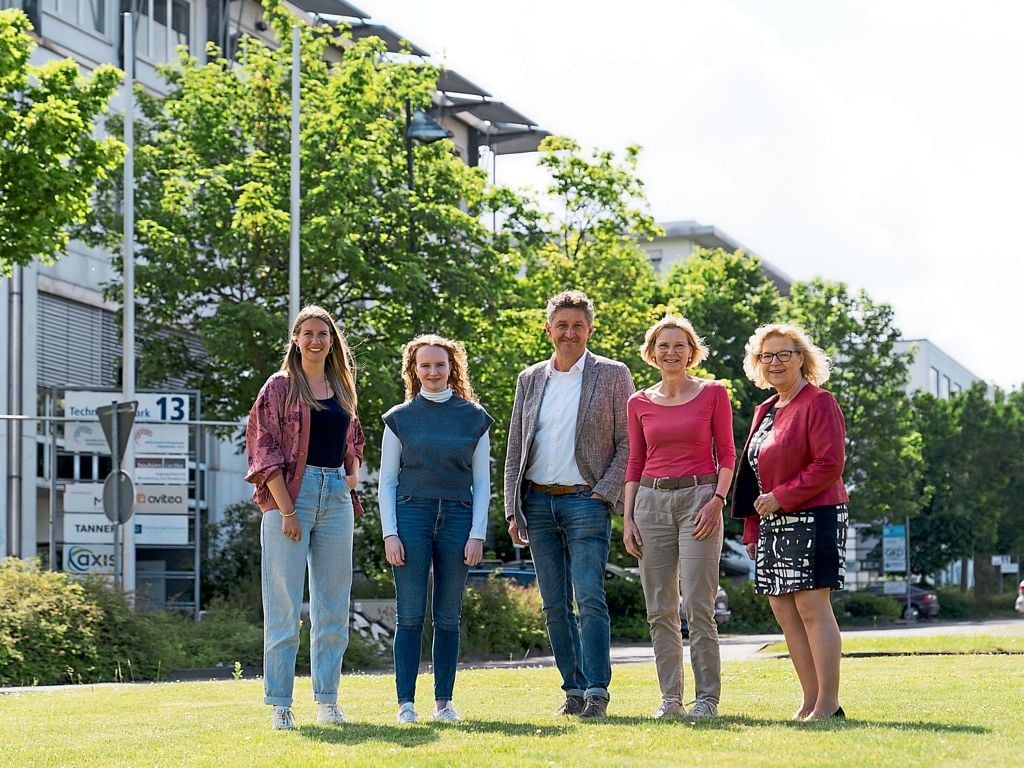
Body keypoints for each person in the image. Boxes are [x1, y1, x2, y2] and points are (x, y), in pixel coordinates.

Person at [504, 290, 635, 719]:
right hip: (537, 502)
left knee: (589, 596)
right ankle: (573, 690)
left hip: (586, 501)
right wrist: (512, 508)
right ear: (549, 329)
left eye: (578, 325)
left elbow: (629, 442)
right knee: (554, 605)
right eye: (562, 325)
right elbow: (516, 446)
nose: (570, 333)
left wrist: (605, 492)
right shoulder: (530, 378)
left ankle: (597, 690)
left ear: (590, 330)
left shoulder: (612, 375)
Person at [245, 305, 361, 731]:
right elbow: (264, 449)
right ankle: (280, 704)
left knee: (333, 608)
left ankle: (328, 701)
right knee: (284, 607)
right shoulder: (279, 386)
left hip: (336, 498)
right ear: (296, 339)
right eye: (308, 333)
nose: (316, 340)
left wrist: (351, 474)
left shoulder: (341, 385)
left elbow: (353, 438)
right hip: (289, 499)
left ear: (332, 342)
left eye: (323, 334)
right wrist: (286, 510)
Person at [730, 323, 849, 721]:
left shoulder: (819, 401)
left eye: (784, 354)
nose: (775, 362)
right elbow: (752, 476)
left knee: (812, 605)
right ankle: (810, 700)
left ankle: (828, 703)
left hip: (815, 514)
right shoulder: (765, 409)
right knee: (783, 608)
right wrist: (751, 528)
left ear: (801, 359)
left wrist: (782, 497)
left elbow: (829, 464)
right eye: (767, 356)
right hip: (771, 520)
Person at [622, 316, 736, 720]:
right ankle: (670, 699)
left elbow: (727, 452)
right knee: (660, 609)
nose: (671, 352)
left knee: (699, 605)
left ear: (691, 352)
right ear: (652, 353)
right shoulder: (638, 402)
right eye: (663, 345)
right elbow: (635, 461)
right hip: (650, 504)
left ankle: (707, 700)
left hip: (699, 500)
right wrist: (628, 517)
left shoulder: (713, 393)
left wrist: (717, 499)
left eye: (679, 345)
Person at [378, 334, 494, 724]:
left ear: (451, 368)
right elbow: (387, 482)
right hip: (411, 516)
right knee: (410, 615)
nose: (433, 372)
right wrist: (390, 533)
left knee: (448, 616)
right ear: (413, 370)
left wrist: (477, 533)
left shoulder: (475, 417)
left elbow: (483, 482)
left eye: (440, 365)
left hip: (458, 517)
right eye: (425, 365)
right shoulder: (399, 419)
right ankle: (405, 704)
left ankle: (444, 703)